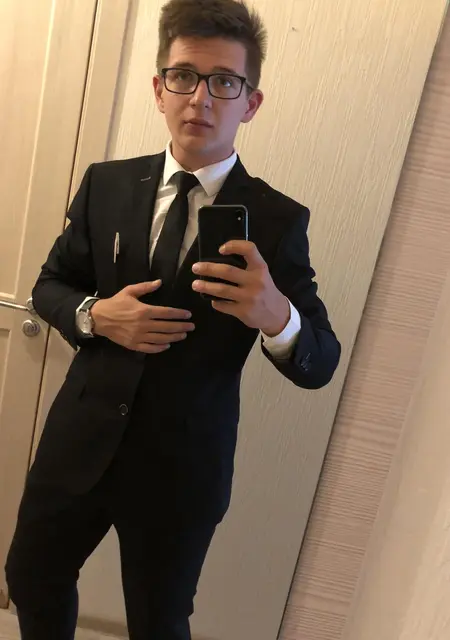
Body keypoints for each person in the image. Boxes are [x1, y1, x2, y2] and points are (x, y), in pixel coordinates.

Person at [5, 1, 341, 638]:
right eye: (184, 76)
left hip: (182, 464)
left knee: (159, 621)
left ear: (251, 103)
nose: (201, 98)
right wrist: (96, 316)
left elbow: (320, 362)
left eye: (225, 82)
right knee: (31, 579)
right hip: (78, 440)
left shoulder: (276, 220)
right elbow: (50, 285)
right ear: (159, 89)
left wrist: (276, 315)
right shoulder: (106, 184)